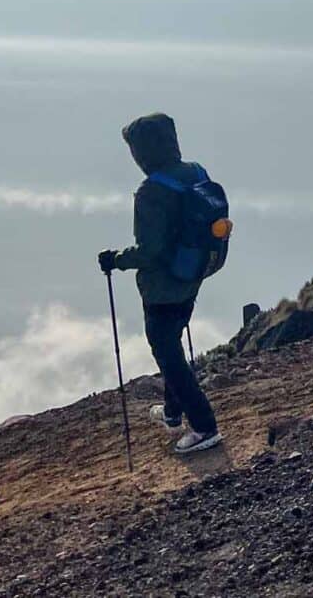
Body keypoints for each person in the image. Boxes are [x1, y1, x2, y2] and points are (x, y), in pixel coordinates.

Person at [98, 112, 222, 455]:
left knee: (167, 355)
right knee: (173, 343)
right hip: (194, 274)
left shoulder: (151, 191)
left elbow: (150, 252)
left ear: (144, 151)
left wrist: (116, 260)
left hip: (163, 287)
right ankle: (172, 412)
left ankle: (204, 426)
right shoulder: (196, 172)